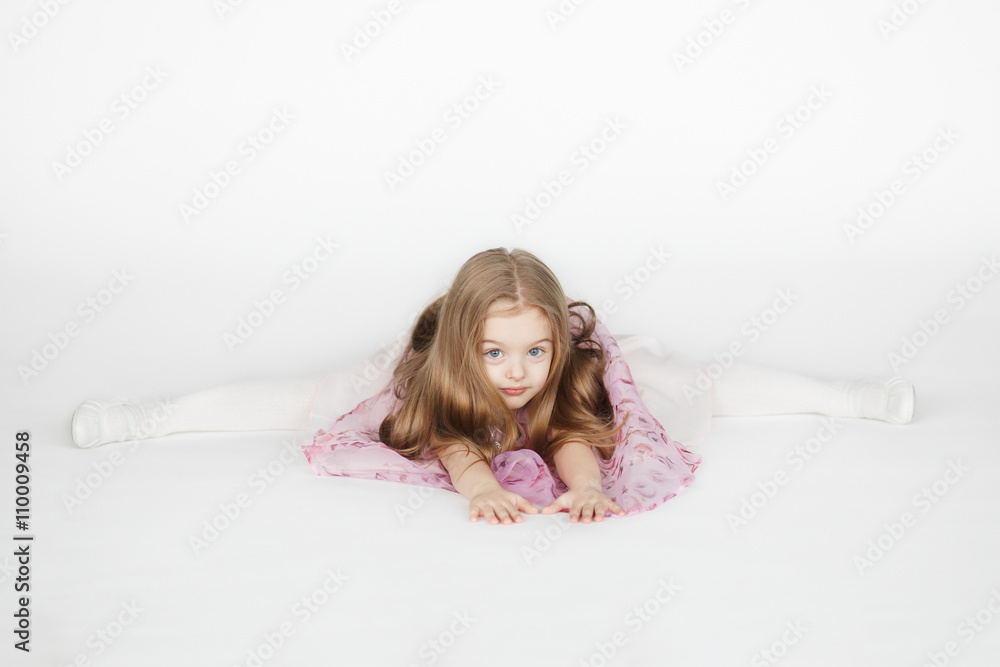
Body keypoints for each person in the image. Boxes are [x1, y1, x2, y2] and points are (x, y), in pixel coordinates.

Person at [71, 248, 915, 525]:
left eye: (532, 351)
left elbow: (570, 432)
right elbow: (450, 438)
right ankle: (143, 420)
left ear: (556, 338)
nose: (517, 375)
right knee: (301, 398)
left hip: (598, 372)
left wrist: (583, 484)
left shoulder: (568, 366)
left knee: (702, 386)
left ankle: (853, 397)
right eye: (499, 355)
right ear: (470, 347)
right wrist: (478, 486)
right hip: (430, 374)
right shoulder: (443, 374)